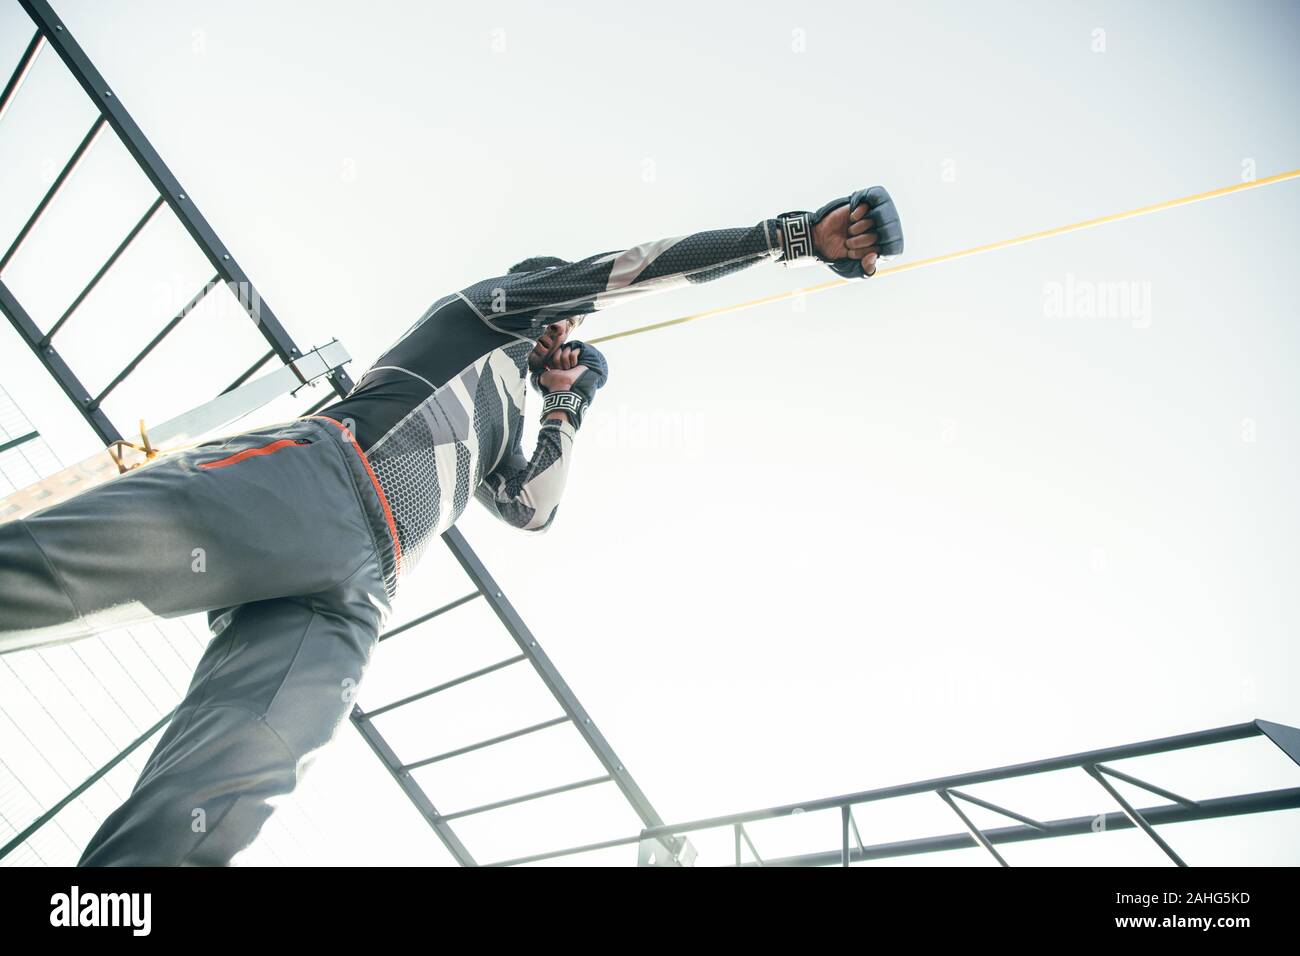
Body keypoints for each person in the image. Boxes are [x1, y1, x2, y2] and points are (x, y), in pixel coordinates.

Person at [0, 186, 903, 865]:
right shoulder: (480, 311)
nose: (572, 327)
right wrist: (790, 238)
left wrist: (566, 409)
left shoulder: (513, 410)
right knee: (49, 576)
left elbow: (532, 509)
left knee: (230, 783)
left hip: (358, 591)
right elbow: (629, 269)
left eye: (575, 326)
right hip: (315, 477)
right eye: (566, 311)